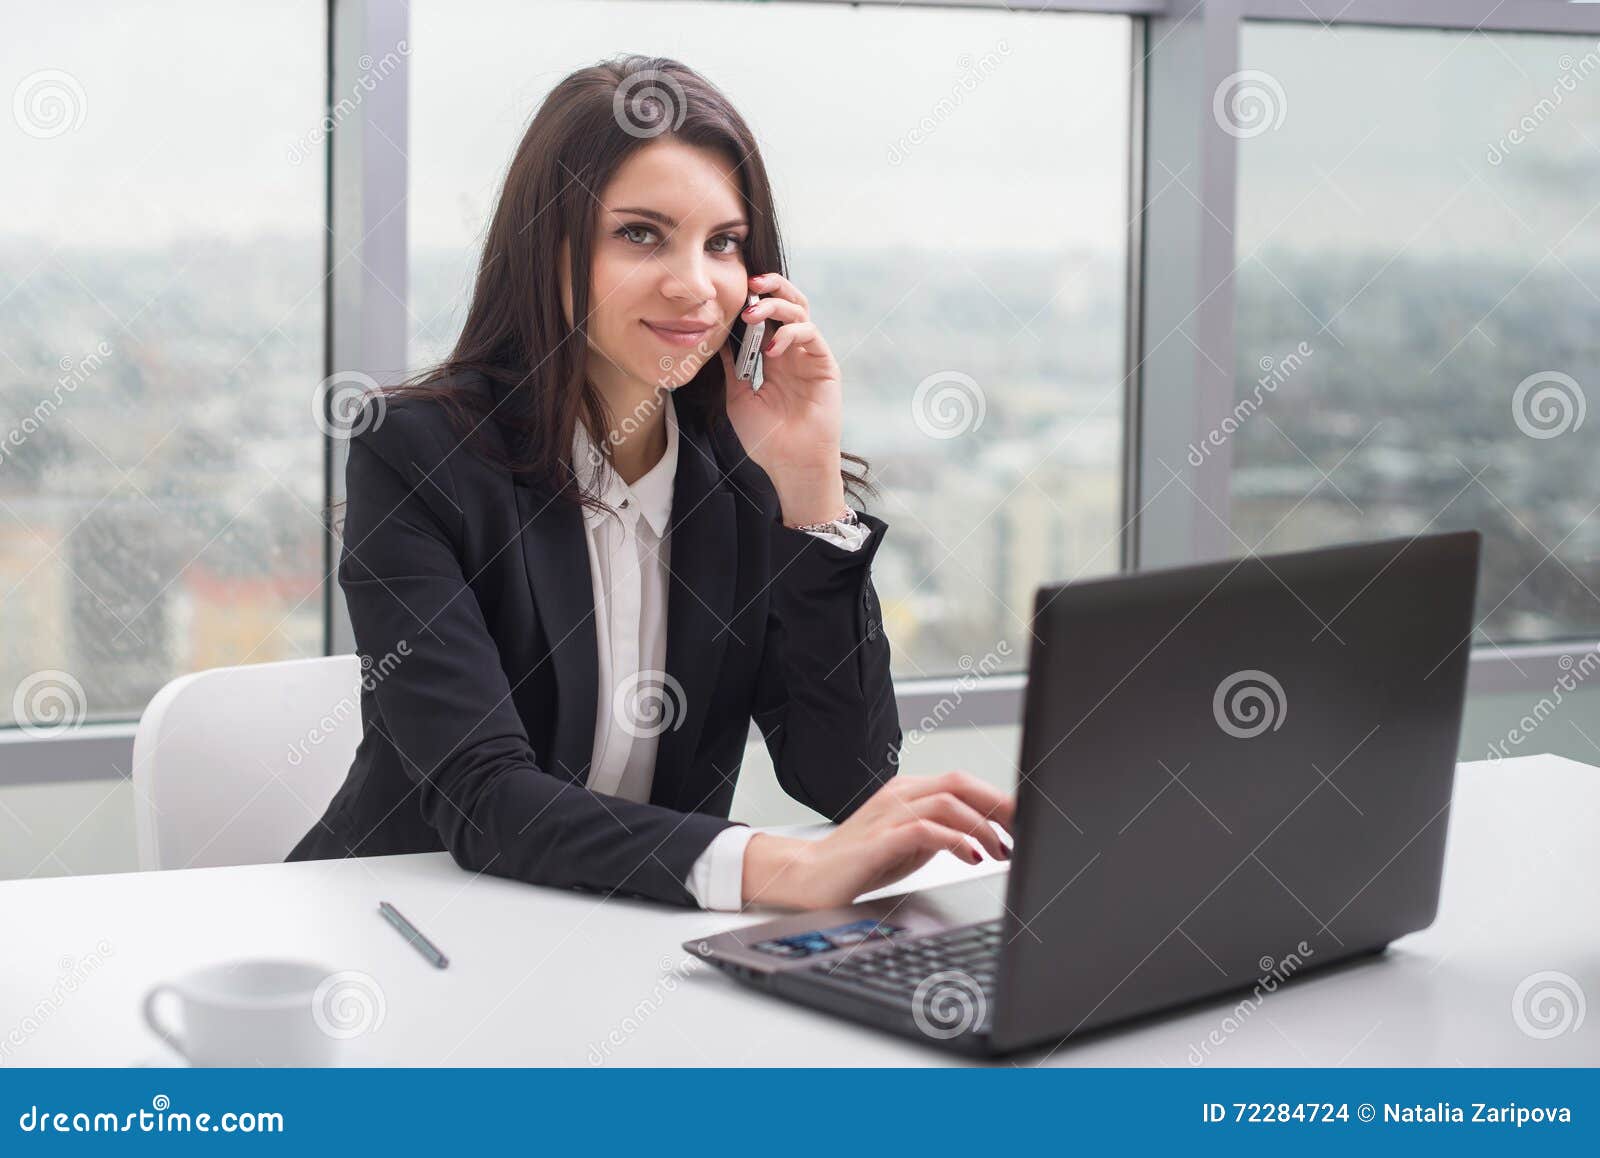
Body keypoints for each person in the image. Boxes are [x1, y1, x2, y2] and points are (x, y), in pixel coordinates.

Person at [287, 54, 1014, 910]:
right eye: (640, 234)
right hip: (410, 925)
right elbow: (484, 800)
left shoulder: (744, 466)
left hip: (627, 930)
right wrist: (780, 868)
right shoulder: (420, 454)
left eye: (724, 244)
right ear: (548, 249)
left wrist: (809, 482)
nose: (693, 286)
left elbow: (845, 774)